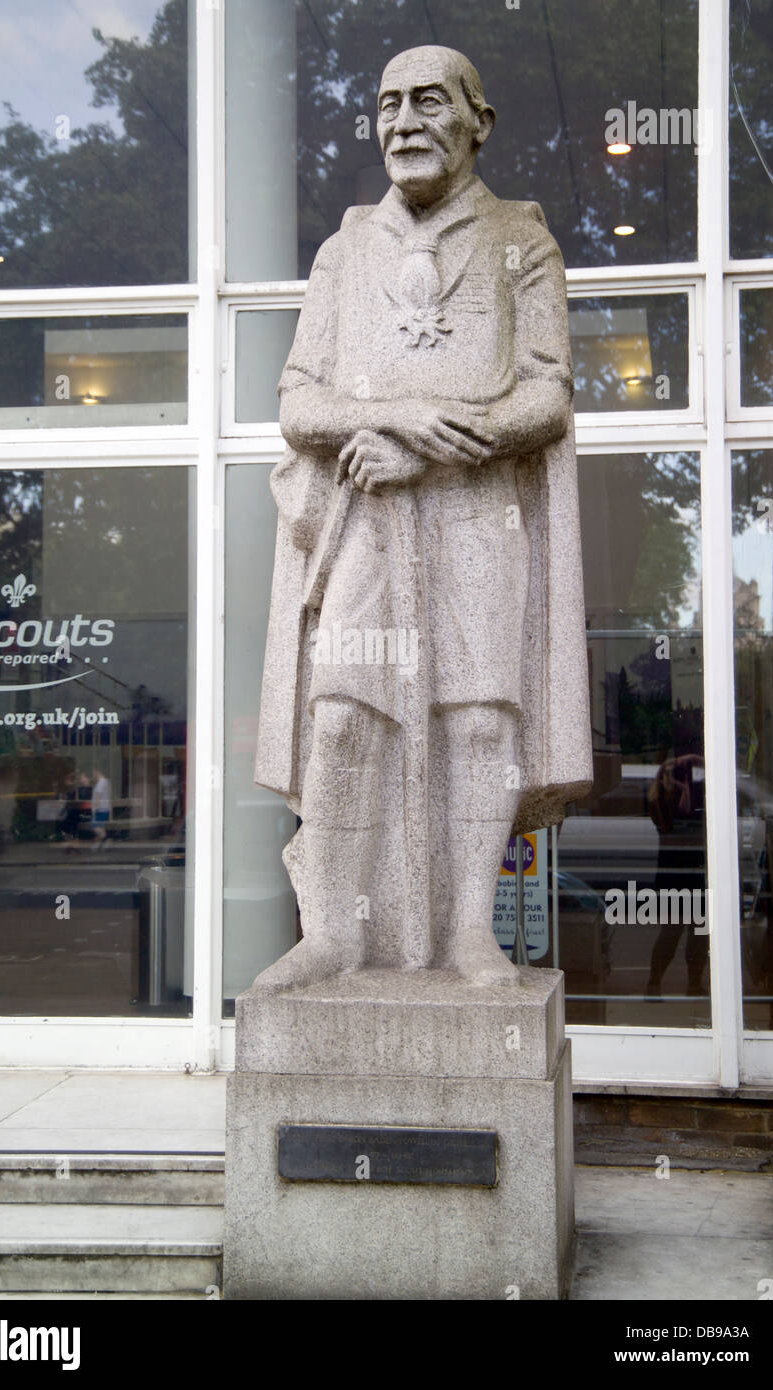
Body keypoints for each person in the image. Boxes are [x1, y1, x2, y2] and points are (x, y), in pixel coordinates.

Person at [253, 46, 591, 993]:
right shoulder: (344, 250)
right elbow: (298, 404)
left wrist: (433, 450)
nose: (403, 122)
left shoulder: (522, 240)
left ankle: (471, 932)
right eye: (388, 104)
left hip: (480, 519)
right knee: (342, 721)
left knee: (479, 725)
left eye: (429, 102)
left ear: (478, 122)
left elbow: (548, 396)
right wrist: (398, 419)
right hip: (364, 518)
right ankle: (332, 932)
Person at [90, 766, 111, 850]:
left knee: (94, 826)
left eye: (94, 772)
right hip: (105, 808)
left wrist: (94, 808)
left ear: (98, 772)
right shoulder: (106, 782)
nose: (93, 774)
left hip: (100, 809)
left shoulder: (101, 783)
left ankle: (106, 839)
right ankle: (99, 844)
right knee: (101, 827)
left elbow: (98, 796)